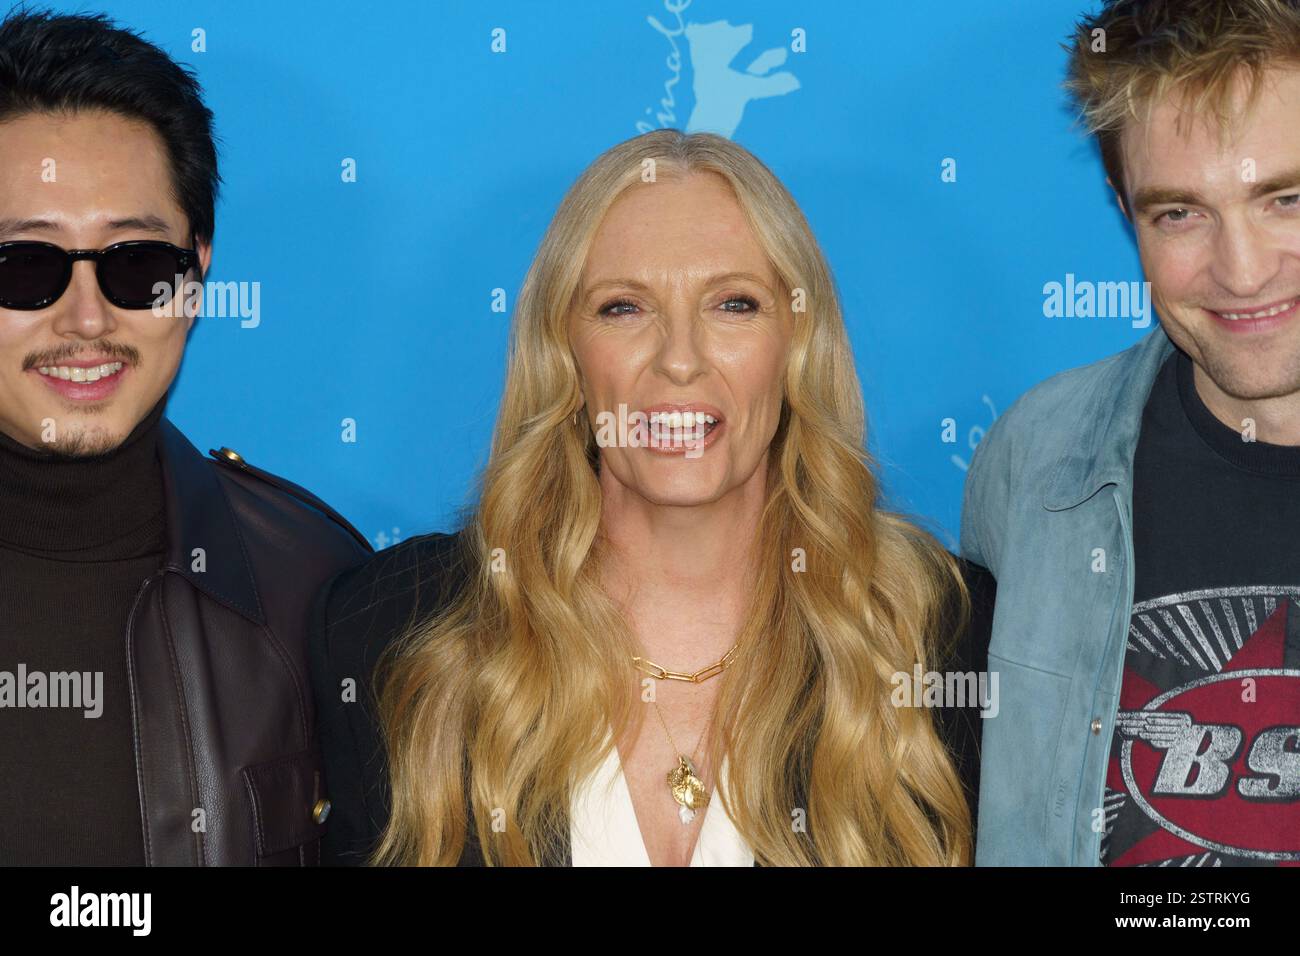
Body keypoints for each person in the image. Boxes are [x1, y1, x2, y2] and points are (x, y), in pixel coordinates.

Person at [310, 129, 994, 867]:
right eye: (623, 308)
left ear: (797, 345)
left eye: (734, 304)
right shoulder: (393, 634)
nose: (679, 359)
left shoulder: (943, 635)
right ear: (562, 351)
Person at [0, 10, 370, 864]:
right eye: (25, 265)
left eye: (135, 264)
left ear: (197, 272)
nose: (86, 319)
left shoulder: (317, 590)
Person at [962, 0, 1300, 866]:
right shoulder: (1038, 462)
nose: (1244, 270)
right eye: (1179, 214)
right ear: (1124, 211)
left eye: (1285, 199)